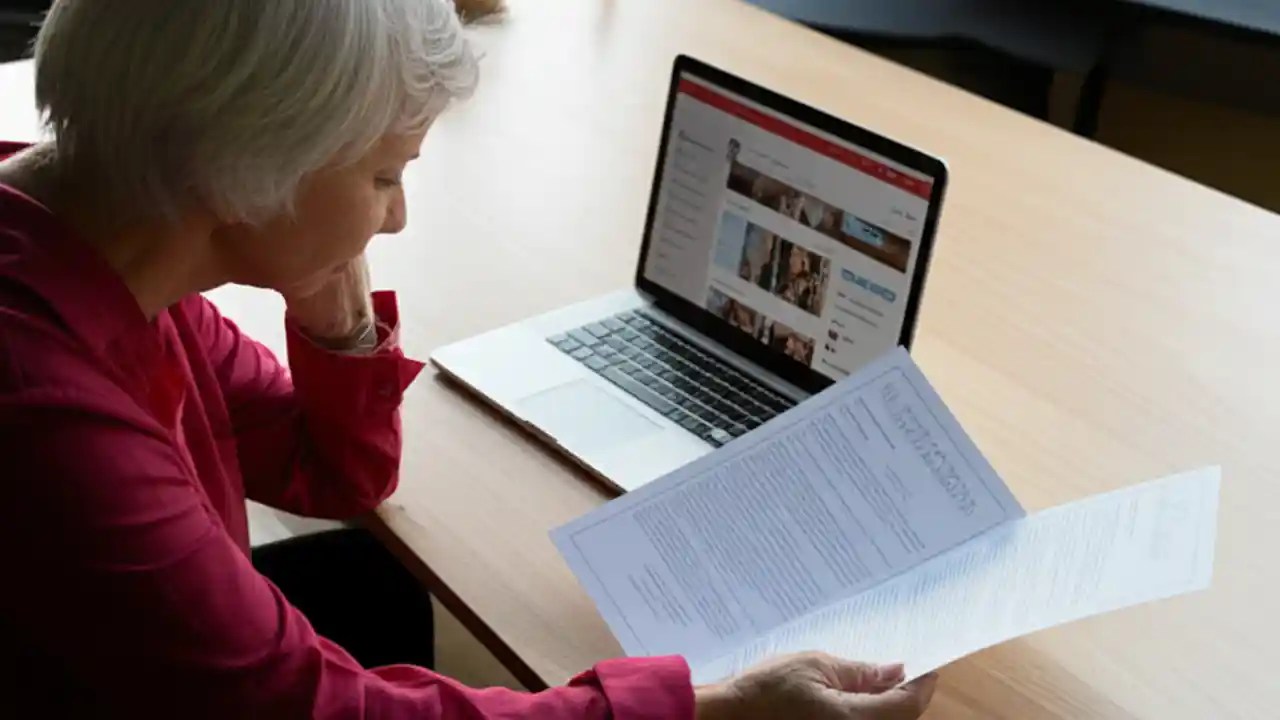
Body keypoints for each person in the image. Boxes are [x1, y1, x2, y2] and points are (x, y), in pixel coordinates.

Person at [0, 1, 938, 718]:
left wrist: (339, 318)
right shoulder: (47, 418)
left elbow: (332, 469)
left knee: (374, 584)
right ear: (248, 168)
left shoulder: (100, 237)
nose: (396, 215)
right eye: (383, 175)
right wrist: (714, 708)